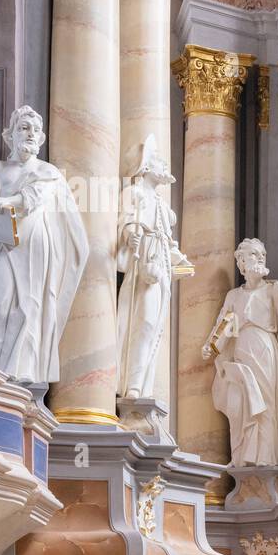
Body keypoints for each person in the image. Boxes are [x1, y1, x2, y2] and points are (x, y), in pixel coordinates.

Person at [0, 105, 88, 384]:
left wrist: (6, 202)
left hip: (35, 247)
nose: (30, 134)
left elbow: (31, 197)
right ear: (9, 135)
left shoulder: (47, 172)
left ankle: (21, 372)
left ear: (41, 139)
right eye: (24, 128)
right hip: (5, 243)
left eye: (36, 130)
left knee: (29, 307)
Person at [205, 239, 278, 467]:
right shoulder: (233, 296)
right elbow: (223, 325)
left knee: (266, 405)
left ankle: (265, 459)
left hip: (265, 351)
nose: (260, 258)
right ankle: (242, 457)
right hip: (241, 351)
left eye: (262, 255)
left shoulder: (273, 290)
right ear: (241, 263)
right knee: (241, 404)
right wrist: (211, 347)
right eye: (253, 254)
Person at [117, 135, 192, 399]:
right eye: (159, 162)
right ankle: (132, 384)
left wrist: (177, 259)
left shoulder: (160, 202)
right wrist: (129, 234)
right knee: (144, 320)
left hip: (159, 259)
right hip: (144, 257)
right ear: (146, 167)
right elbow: (127, 221)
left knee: (156, 322)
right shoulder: (134, 192)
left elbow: (166, 236)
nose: (164, 167)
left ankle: (143, 382)